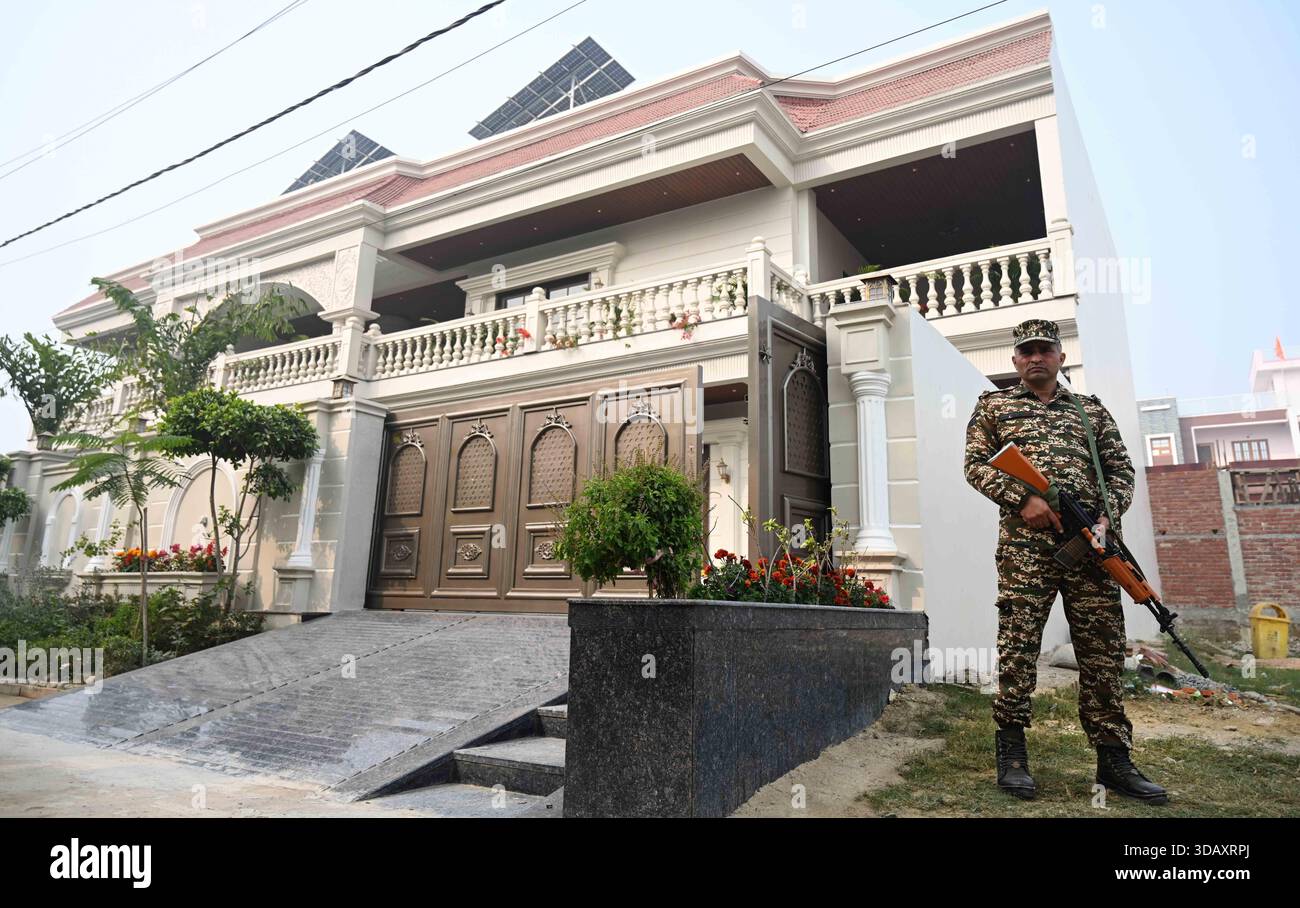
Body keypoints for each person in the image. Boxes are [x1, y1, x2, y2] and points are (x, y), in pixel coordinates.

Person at [963, 318, 1168, 805]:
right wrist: (1022, 500)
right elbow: (974, 465)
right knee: (1018, 646)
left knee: (1101, 650)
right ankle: (1012, 754)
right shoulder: (994, 406)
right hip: (1024, 550)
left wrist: (1105, 515)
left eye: (1045, 349)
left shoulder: (1090, 411)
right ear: (1015, 360)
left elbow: (1121, 469)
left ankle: (1114, 759)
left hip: (1090, 550)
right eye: (1026, 351)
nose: (1036, 357)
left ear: (1060, 356)